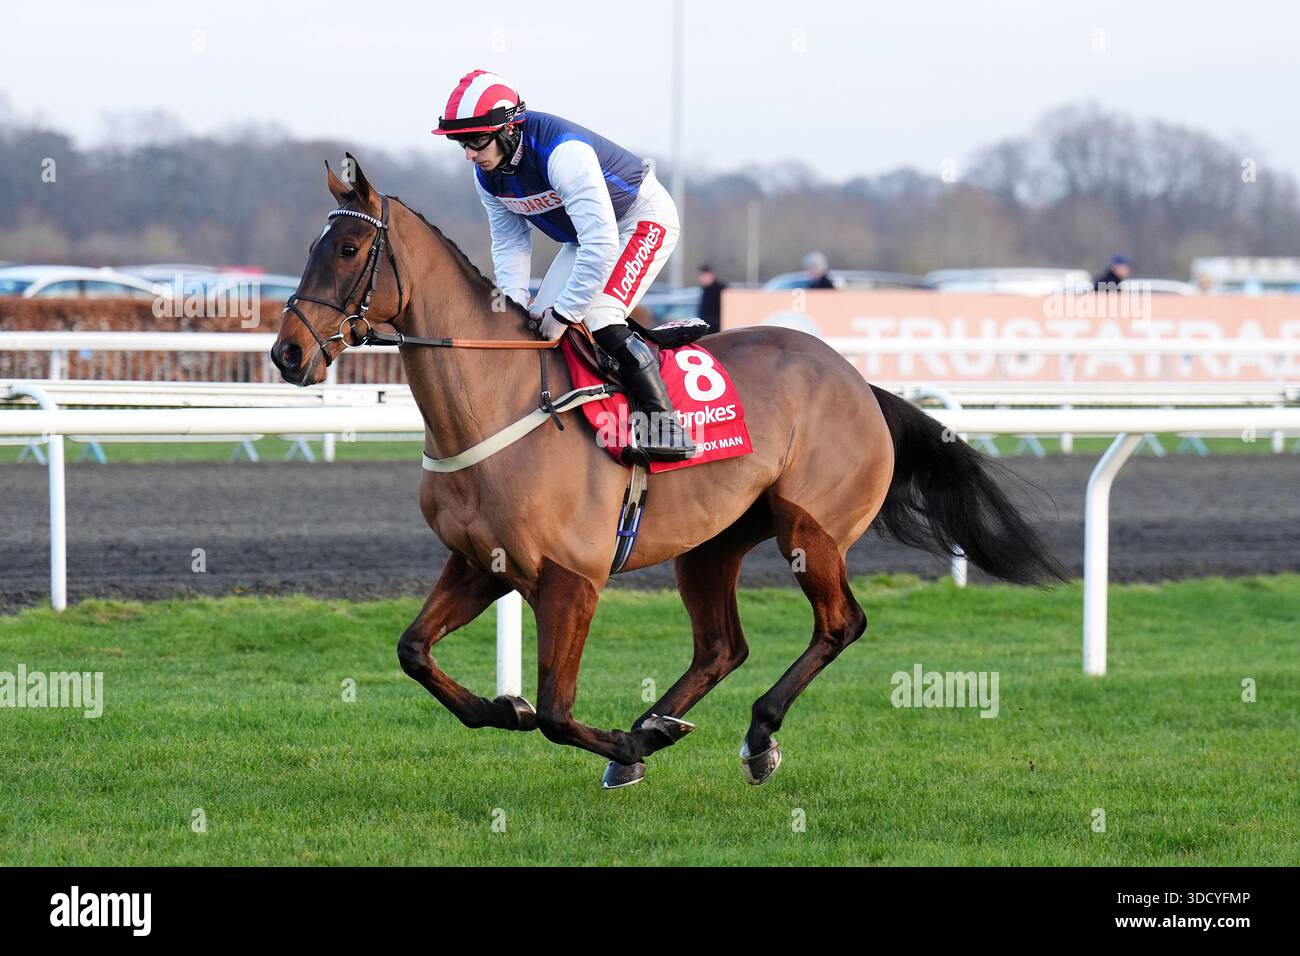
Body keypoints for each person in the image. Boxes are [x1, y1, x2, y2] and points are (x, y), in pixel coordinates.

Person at [432, 69, 693, 461]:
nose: (469, 153)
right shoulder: (486, 175)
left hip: (640, 220)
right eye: (461, 143)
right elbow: (509, 242)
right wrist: (515, 307)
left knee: (601, 313)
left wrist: (569, 310)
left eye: (475, 140)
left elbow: (602, 242)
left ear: (508, 129)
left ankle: (665, 425)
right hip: (585, 239)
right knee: (535, 319)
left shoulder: (563, 153)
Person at [697, 263, 726, 335]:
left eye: (703, 276)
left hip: (715, 328)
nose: (701, 278)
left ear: (710, 275)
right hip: (705, 326)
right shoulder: (705, 289)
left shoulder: (720, 289)